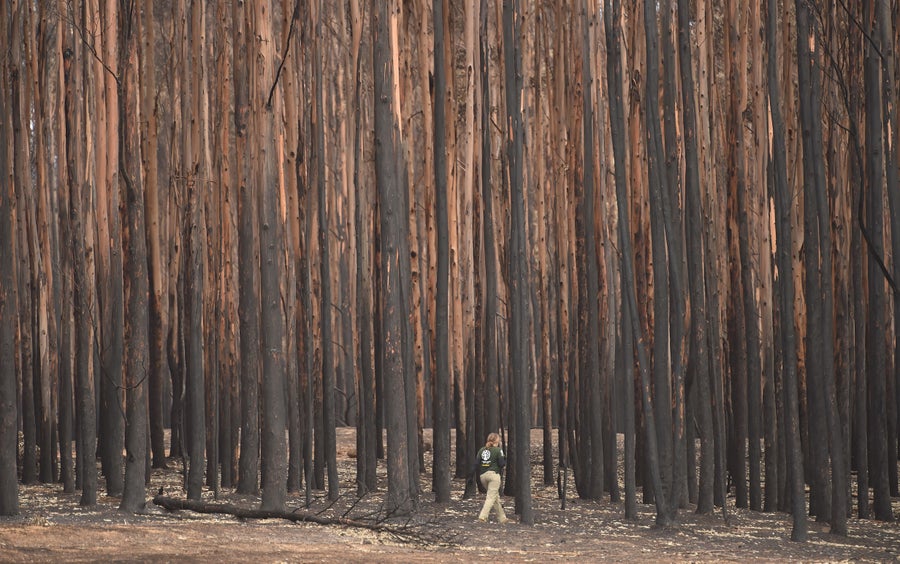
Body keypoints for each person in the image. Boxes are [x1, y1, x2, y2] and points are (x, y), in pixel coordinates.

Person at [474, 432, 508, 523]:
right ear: (497, 440)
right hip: (494, 476)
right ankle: (483, 516)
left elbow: (476, 463)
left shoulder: (481, 450)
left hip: (483, 476)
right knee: (490, 497)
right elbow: (501, 464)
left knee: (495, 496)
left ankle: (502, 518)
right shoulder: (498, 450)